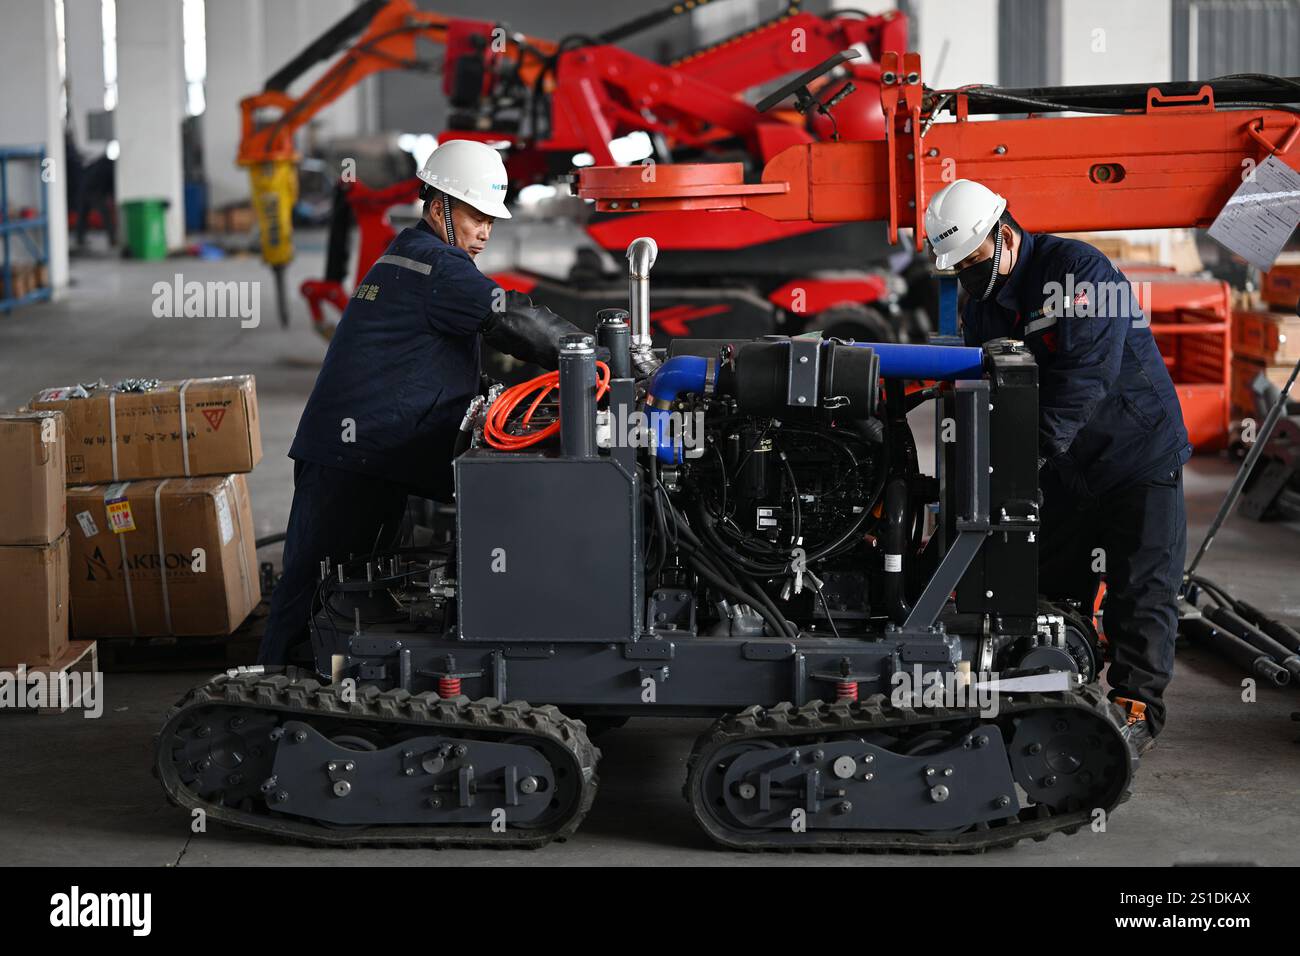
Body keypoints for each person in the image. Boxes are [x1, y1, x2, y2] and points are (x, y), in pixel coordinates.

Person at [259, 139, 582, 665]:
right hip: (354, 458)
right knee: (314, 594)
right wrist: (596, 358)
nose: (484, 231)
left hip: (365, 453)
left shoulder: (409, 253)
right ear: (439, 209)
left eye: (491, 220)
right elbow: (515, 321)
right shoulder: (436, 266)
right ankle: (266, 701)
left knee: (352, 586)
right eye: (476, 216)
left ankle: (328, 688)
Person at [925, 178, 1192, 755]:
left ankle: (1135, 712)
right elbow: (988, 389)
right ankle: (1051, 690)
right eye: (960, 267)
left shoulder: (1081, 271)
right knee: (1045, 585)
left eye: (974, 259)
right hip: (1065, 470)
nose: (969, 274)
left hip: (1134, 457)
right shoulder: (984, 307)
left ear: (1005, 234)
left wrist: (1023, 461)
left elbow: (1084, 380)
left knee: (1141, 591)